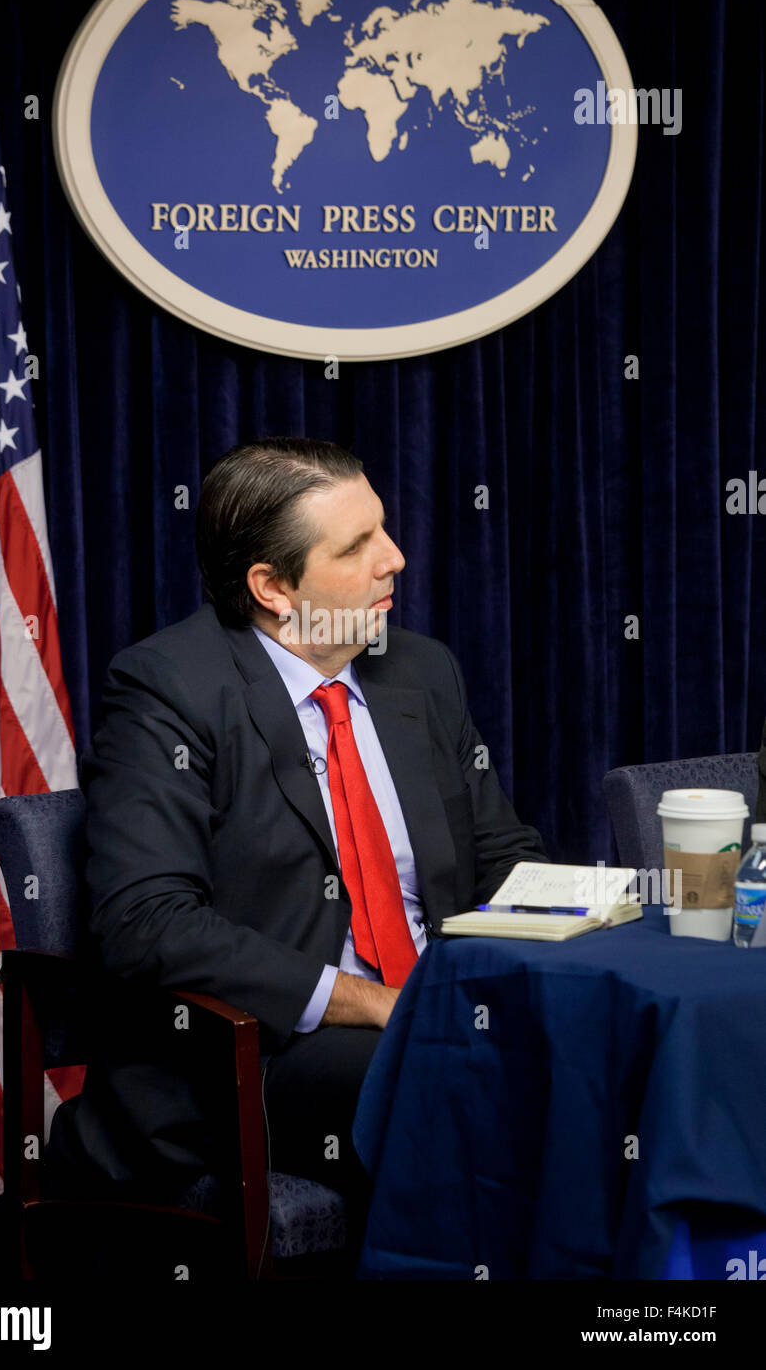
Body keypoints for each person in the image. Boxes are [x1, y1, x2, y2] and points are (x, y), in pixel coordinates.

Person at [45, 437, 548, 1265]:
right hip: (260, 1051)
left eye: (382, 529)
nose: (396, 559)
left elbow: (501, 859)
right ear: (274, 588)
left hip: (430, 1007)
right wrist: (376, 1002)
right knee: (474, 1078)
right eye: (355, 547)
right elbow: (148, 922)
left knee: (593, 1047)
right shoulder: (169, 687)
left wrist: (595, 932)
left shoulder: (419, 671)